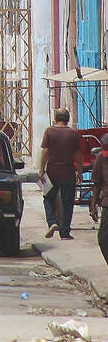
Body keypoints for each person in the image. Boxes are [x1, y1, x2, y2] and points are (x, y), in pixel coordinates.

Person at [40, 107, 82, 240]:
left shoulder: (49, 131)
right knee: (68, 202)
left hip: (52, 172)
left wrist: (41, 169)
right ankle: (65, 232)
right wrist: (80, 172)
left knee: (48, 198)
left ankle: (52, 222)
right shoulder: (73, 133)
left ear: (55, 118)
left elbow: (45, 151)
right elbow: (78, 154)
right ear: (68, 119)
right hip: (68, 172)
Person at [89, 135, 108, 268]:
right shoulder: (101, 159)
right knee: (103, 238)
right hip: (107, 203)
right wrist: (93, 204)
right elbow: (96, 183)